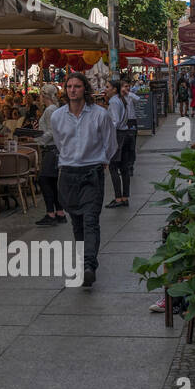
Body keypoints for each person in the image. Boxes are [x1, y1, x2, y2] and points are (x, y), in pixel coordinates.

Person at [50, 72, 118, 287]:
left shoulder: (99, 114)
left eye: (77, 86)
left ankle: (89, 265)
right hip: (68, 174)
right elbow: (59, 143)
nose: (72, 90)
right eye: (69, 86)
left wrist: (102, 159)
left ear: (84, 89)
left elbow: (111, 142)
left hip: (91, 173)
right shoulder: (57, 117)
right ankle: (83, 263)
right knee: (77, 223)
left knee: (90, 220)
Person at [33, 85, 66, 226]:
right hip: (53, 149)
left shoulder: (50, 110)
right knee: (51, 182)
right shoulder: (54, 109)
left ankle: (50, 214)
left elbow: (52, 132)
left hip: (51, 150)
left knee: (44, 180)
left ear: (44, 95)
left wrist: (37, 138)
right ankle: (59, 212)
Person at [104, 80, 133, 210]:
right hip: (126, 134)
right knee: (124, 168)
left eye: (107, 87)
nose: (106, 89)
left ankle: (118, 198)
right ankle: (125, 197)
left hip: (118, 136)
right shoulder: (121, 100)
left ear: (114, 89)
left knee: (113, 167)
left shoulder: (114, 101)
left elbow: (114, 121)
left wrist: (108, 136)